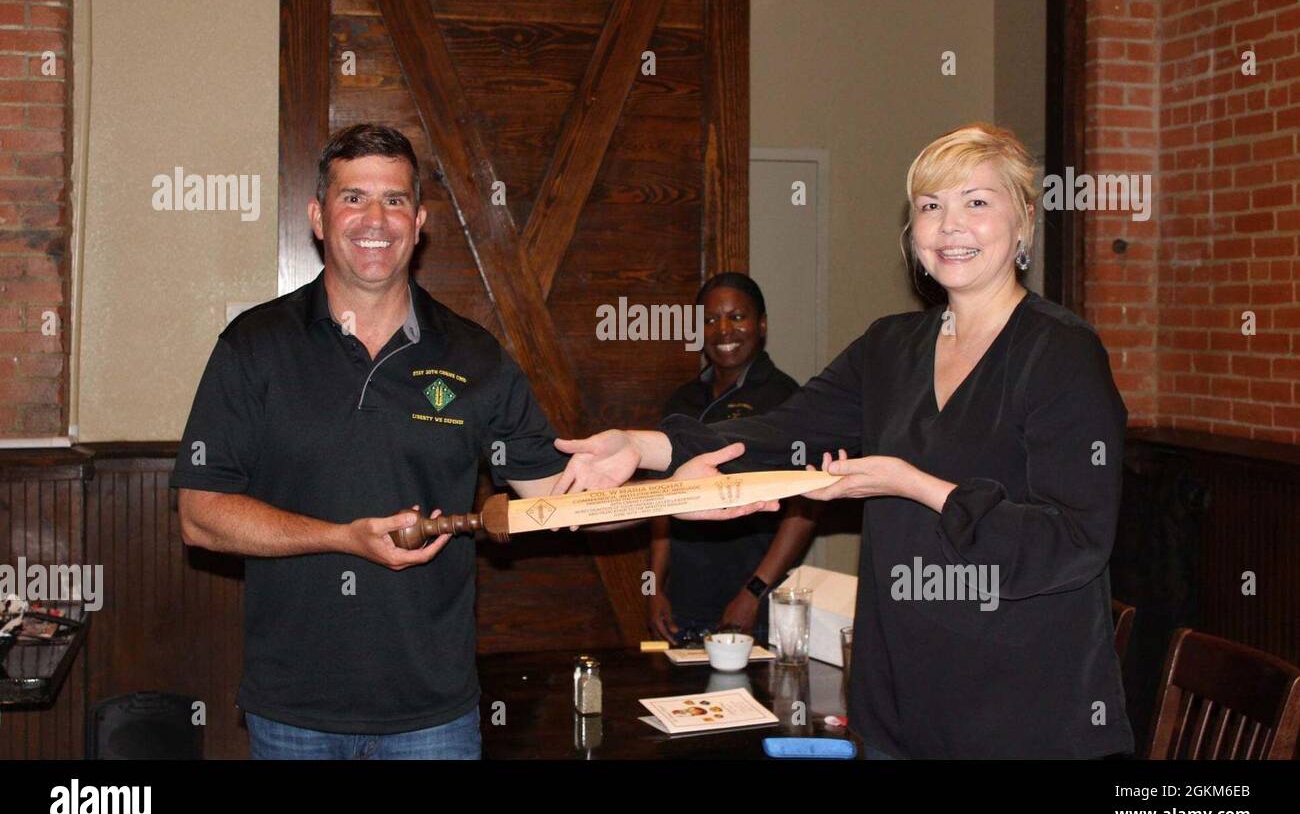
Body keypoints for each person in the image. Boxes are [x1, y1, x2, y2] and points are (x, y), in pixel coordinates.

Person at [171, 124, 764, 760]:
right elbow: (201, 517)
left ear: (419, 221)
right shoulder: (254, 345)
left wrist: (669, 496)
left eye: (395, 200)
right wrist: (342, 538)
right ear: (319, 217)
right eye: (354, 198)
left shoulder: (475, 358)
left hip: (435, 716)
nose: (376, 218)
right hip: (296, 710)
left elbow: (556, 499)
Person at [558, 123, 1135, 759]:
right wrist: (644, 449)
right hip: (899, 702)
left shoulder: (1061, 352)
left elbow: (1075, 543)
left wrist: (916, 485)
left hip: (1023, 712)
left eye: (976, 201)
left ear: (1024, 219)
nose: (950, 225)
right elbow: (784, 431)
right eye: (930, 206)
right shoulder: (890, 347)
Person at [647, 273, 816, 645]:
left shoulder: (786, 400)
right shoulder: (683, 401)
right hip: (685, 602)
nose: (723, 329)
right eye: (710, 319)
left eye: (737, 316)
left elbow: (804, 512)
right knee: (683, 704)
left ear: (762, 324)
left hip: (751, 604)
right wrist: (655, 586)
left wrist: (753, 592)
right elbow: (664, 496)